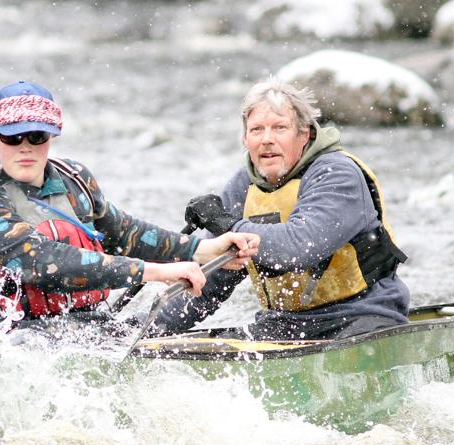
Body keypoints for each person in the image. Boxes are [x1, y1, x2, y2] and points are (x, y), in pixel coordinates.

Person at [0, 81, 259, 334]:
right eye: (13, 136)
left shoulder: (75, 180)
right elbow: (43, 262)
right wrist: (152, 273)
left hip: (82, 329)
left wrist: (203, 249)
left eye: (36, 135)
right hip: (2, 337)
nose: (26, 146)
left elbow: (124, 234)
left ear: (51, 136)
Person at [157, 77, 410, 340]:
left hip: (361, 317)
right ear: (245, 139)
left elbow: (297, 249)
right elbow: (209, 283)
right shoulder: (243, 186)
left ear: (305, 134)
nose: (267, 140)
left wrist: (228, 225)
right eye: (257, 130)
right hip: (284, 323)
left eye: (279, 128)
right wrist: (142, 329)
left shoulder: (338, 175)